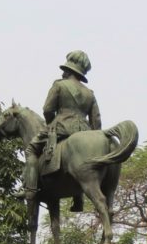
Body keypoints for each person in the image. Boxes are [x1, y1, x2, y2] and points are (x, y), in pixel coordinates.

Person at [25, 50, 102, 211]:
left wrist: (51, 125)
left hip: (61, 126)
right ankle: (78, 199)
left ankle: (30, 190)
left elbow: (47, 109)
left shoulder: (59, 85)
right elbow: (96, 121)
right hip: (85, 132)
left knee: (31, 148)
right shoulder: (90, 93)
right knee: (81, 161)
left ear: (68, 70)